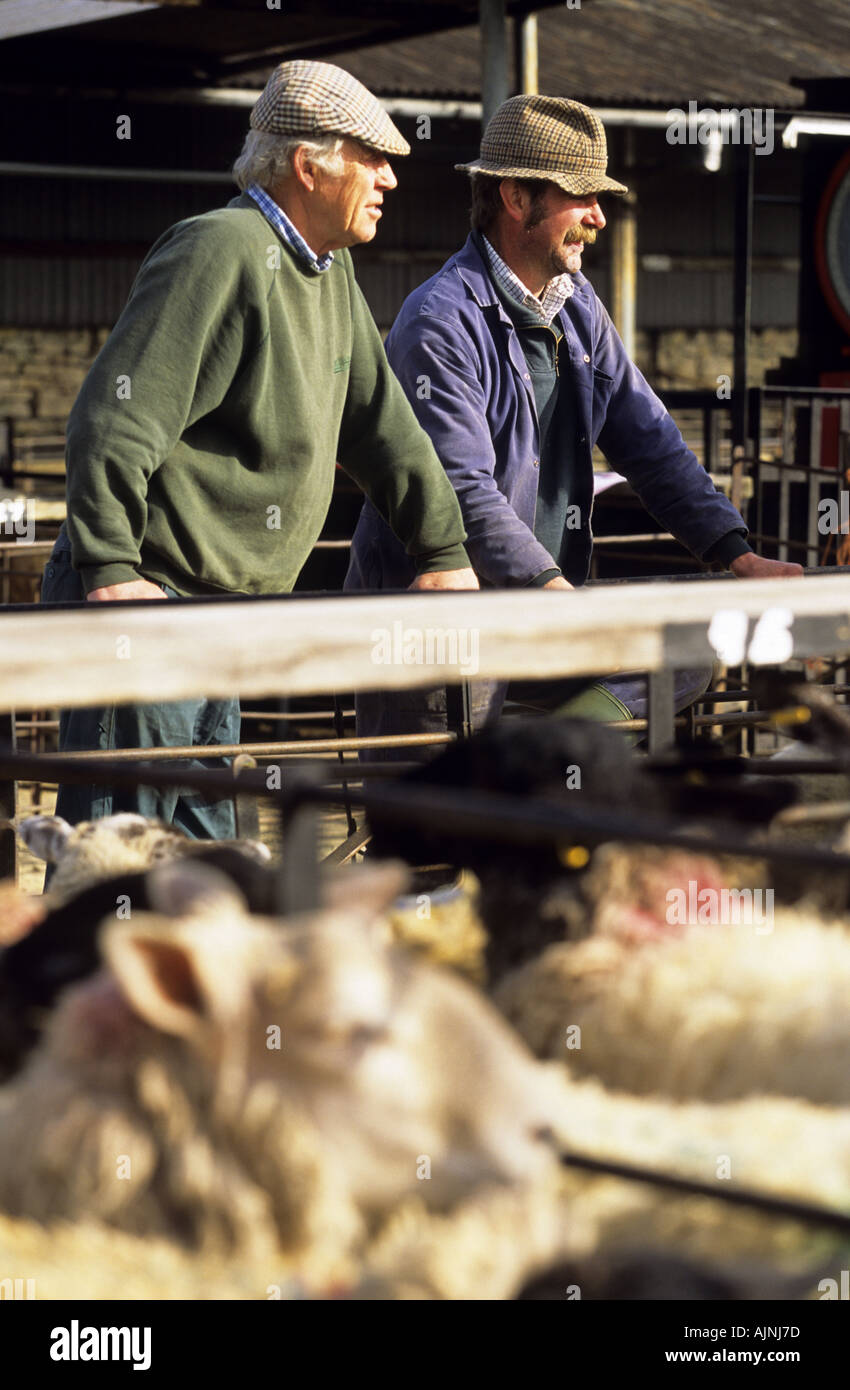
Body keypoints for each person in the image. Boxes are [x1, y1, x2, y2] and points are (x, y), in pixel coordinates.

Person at [42, 60, 477, 833]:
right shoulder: (220, 249)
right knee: (120, 846)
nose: (390, 180)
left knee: (209, 854)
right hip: (154, 599)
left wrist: (442, 549)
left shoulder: (329, 272)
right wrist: (108, 567)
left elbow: (381, 423)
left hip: (218, 616)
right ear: (310, 166)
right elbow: (114, 418)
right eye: (373, 159)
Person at [346, 94, 803, 755]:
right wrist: (555, 592)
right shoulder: (440, 322)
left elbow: (650, 442)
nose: (598, 217)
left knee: (679, 658)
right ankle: (509, 780)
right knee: (429, 826)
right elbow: (463, 491)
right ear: (515, 198)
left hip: (543, 605)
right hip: (447, 618)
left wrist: (737, 552)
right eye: (579, 197)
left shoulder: (576, 307)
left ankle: (528, 765)